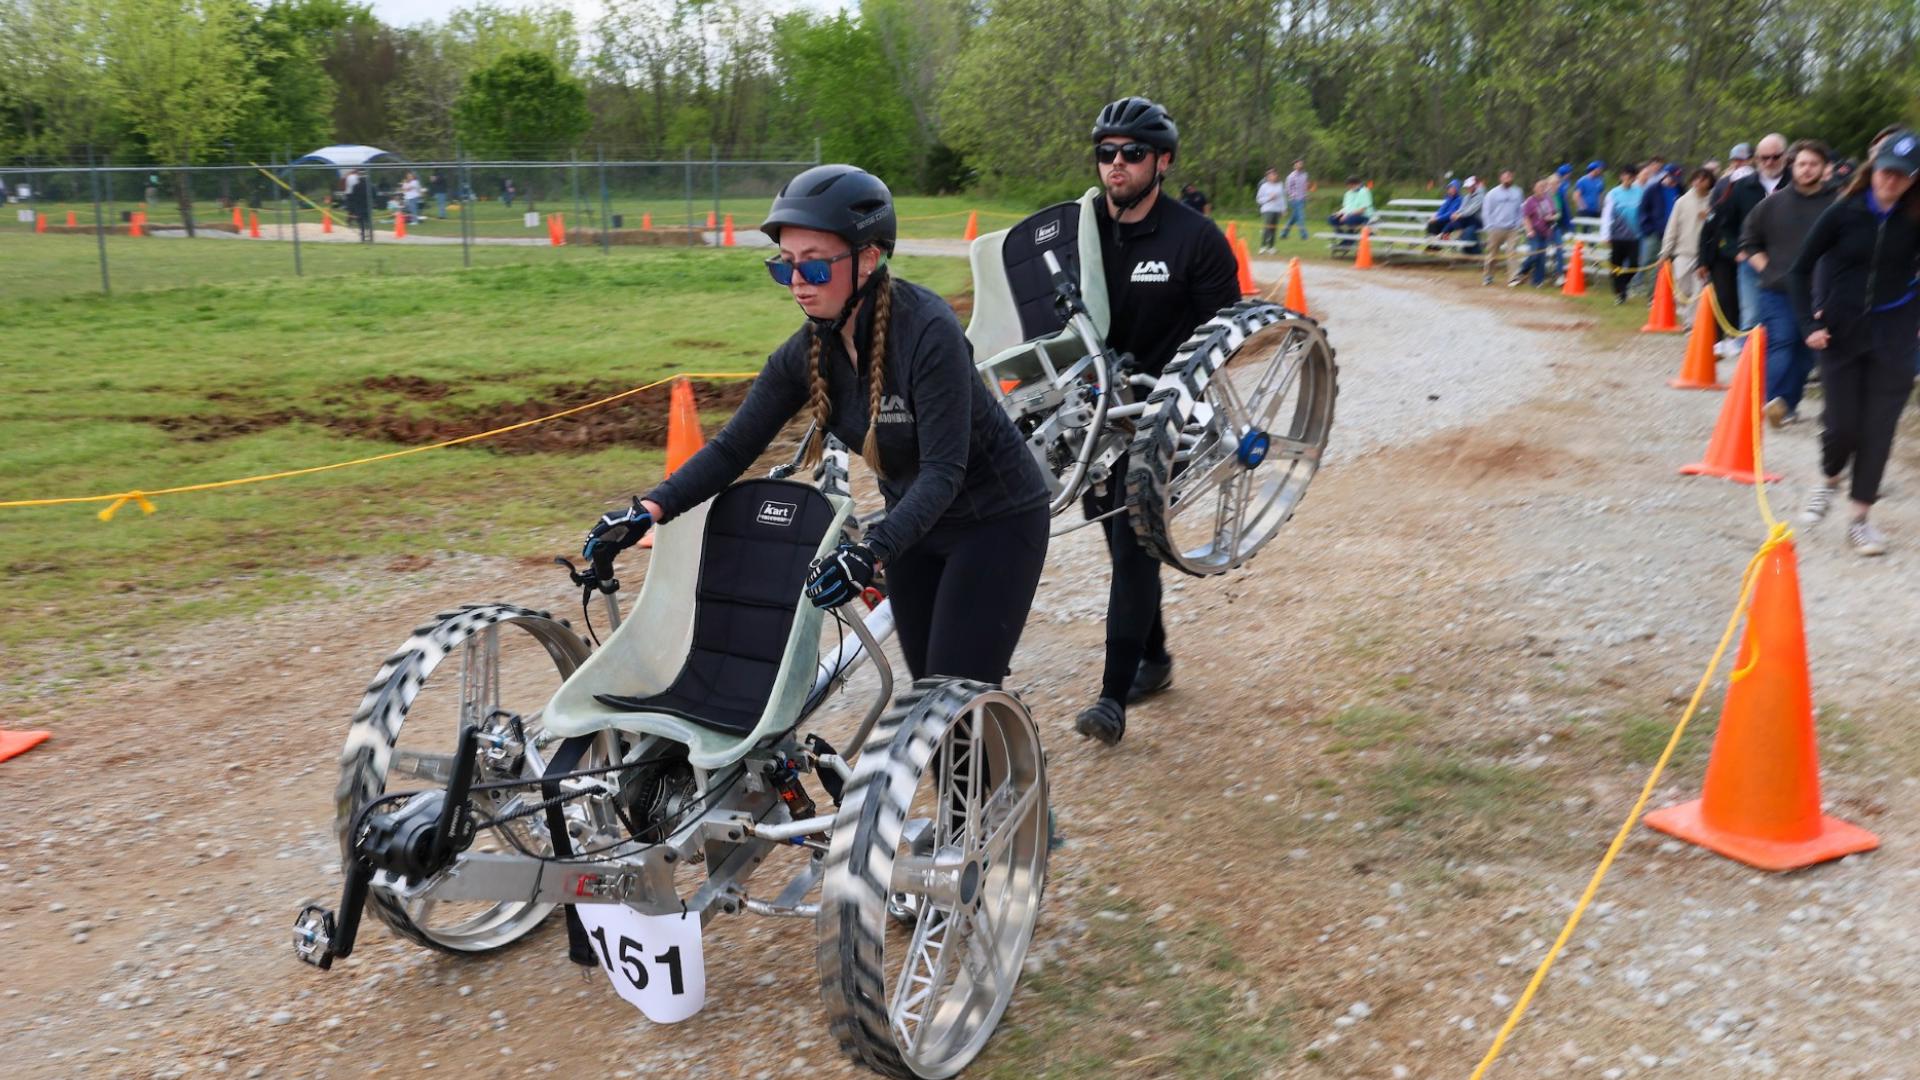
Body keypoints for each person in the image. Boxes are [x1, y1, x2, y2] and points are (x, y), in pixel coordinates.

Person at [580, 164, 1052, 686]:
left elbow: (943, 471)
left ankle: (1003, 764)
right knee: (927, 698)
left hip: (995, 523)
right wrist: (649, 509)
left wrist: (870, 552)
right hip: (915, 528)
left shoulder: (928, 331)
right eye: (785, 268)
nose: (799, 284)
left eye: (815, 268)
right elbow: (735, 447)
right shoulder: (807, 351)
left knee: (954, 690)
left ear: (868, 258)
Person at [1074, 96, 1242, 746]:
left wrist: (1179, 400)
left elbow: (1226, 337)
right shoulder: (1085, 225)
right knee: (1112, 529)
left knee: (1132, 533)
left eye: (1132, 154)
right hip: (1097, 408)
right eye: (1106, 153)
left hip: (1167, 410)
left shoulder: (1195, 240)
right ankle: (1157, 658)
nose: (1116, 165)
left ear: (1163, 161)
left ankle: (1113, 698)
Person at [1788, 131, 1920, 557]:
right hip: (1841, 333)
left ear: (1913, 178)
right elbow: (1799, 270)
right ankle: (1828, 479)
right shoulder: (1842, 213)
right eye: (1886, 172)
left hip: (1895, 334)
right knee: (1842, 425)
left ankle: (1860, 520)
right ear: (1873, 168)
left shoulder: (1914, 220)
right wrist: (1809, 322)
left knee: (1879, 428)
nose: (1891, 181)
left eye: (1901, 176)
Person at [1741, 139, 1834, 427]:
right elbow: (1749, 243)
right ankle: (1772, 400)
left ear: (1824, 168)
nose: (1807, 170)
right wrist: (1768, 271)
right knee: (1783, 342)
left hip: (1821, 293)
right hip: (1778, 290)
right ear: (1793, 165)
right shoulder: (1771, 205)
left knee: (1807, 352)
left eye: (1813, 164)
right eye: (1802, 164)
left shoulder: (1838, 204)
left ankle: (1787, 406)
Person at [1704, 132, 1789, 333]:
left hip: (1788, 260)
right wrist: (1735, 251)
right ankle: (1749, 360)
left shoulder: (1796, 183)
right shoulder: (1742, 187)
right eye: (1764, 157)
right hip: (1751, 260)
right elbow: (1724, 226)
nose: (1770, 162)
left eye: (1775, 157)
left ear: (1785, 156)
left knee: (1786, 315)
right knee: (1751, 316)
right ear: (1757, 159)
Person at [1660, 166, 1716, 321]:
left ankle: (1691, 323)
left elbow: (1718, 225)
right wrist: (1665, 252)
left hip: (1702, 256)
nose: (1699, 182)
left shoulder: (1714, 200)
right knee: (1681, 289)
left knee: (1698, 290)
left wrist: (1710, 216)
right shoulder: (1681, 201)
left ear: (1710, 182)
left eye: (1704, 179)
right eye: (1696, 178)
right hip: (1683, 252)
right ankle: (1684, 314)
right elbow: (1672, 228)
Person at [1633, 164, 1681, 297]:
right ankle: (1644, 290)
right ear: (1665, 175)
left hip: (1673, 233)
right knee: (1650, 261)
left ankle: (1661, 294)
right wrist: (1648, 228)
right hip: (1655, 232)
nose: (1673, 181)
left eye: (1676, 179)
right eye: (1671, 178)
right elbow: (1643, 211)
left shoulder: (1679, 189)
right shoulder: (1653, 189)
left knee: (1667, 263)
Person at [1601, 163, 1644, 304]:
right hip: (1617, 236)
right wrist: (1606, 235)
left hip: (1634, 236)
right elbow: (1607, 215)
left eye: (1632, 177)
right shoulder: (1613, 193)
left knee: (1634, 264)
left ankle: (1623, 285)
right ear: (1622, 176)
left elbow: (1644, 212)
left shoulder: (1640, 192)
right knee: (1616, 265)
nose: (1629, 179)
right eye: (1627, 176)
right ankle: (1620, 293)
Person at [1481, 170, 1524, 285]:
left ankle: (1513, 277)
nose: (1508, 179)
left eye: (1510, 177)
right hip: (1496, 228)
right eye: (1505, 177)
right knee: (1492, 254)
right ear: (1500, 178)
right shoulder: (1492, 193)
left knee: (1512, 253)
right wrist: (1489, 227)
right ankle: (1488, 276)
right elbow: (1486, 211)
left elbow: (1520, 209)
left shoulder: (1517, 192)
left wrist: (1518, 224)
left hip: (1512, 228)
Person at [1517, 176, 1558, 287]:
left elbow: (1555, 213)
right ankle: (1523, 270)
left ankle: (1537, 281)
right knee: (1534, 254)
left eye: (1544, 186)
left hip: (1546, 232)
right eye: (1540, 186)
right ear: (1534, 188)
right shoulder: (1530, 201)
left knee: (1541, 257)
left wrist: (1552, 217)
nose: (1542, 188)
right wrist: (1529, 230)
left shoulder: (1549, 199)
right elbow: (1526, 217)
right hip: (1534, 231)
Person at [1327, 175, 1373, 248]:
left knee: (1349, 219)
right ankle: (1346, 238)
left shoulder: (1364, 192)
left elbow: (1362, 210)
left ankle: (1349, 240)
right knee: (1331, 218)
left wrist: (1347, 216)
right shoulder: (1348, 193)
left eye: (1350, 185)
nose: (1348, 187)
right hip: (1349, 215)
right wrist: (1339, 213)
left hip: (1363, 216)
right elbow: (1346, 207)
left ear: (1355, 184)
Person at [1552, 163, 1577, 284]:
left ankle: (1559, 275)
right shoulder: (1559, 187)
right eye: (1568, 173)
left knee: (1559, 248)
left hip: (1559, 224)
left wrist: (1570, 224)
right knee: (1541, 250)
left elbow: (1565, 207)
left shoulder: (1565, 185)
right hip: (1549, 225)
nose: (1570, 175)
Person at [1256, 167, 1287, 253]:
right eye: (1271, 175)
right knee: (1267, 228)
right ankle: (1262, 246)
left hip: (1276, 210)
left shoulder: (1280, 185)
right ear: (1268, 176)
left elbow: (1282, 198)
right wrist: (1269, 198)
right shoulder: (1264, 186)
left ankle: (1271, 247)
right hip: (1267, 209)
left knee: (1274, 229)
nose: (1273, 176)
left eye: (1274, 174)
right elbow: (1258, 199)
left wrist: (1283, 209)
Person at [1451, 175, 1485, 252]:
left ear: (1474, 185)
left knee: (1467, 230)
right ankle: (1461, 238)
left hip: (1479, 220)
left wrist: (1459, 215)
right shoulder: (1467, 196)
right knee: (1453, 220)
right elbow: (1462, 208)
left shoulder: (1480, 196)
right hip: (1468, 219)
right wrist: (1456, 213)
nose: (1468, 188)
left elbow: (1472, 210)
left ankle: (1461, 238)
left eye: (1470, 186)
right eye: (1467, 186)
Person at [1281, 159, 1311, 239]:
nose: (1299, 165)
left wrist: (1306, 195)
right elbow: (1287, 189)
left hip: (1302, 199)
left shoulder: (1304, 175)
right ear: (1294, 166)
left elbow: (1305, 187)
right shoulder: (1291, 176)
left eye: (1301, 164)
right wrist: (1292, 196)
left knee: (1293, 218)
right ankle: (1304, 235)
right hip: (1294, 200)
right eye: (1297, 164)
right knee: (1301, 217)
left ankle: (1283, 233)